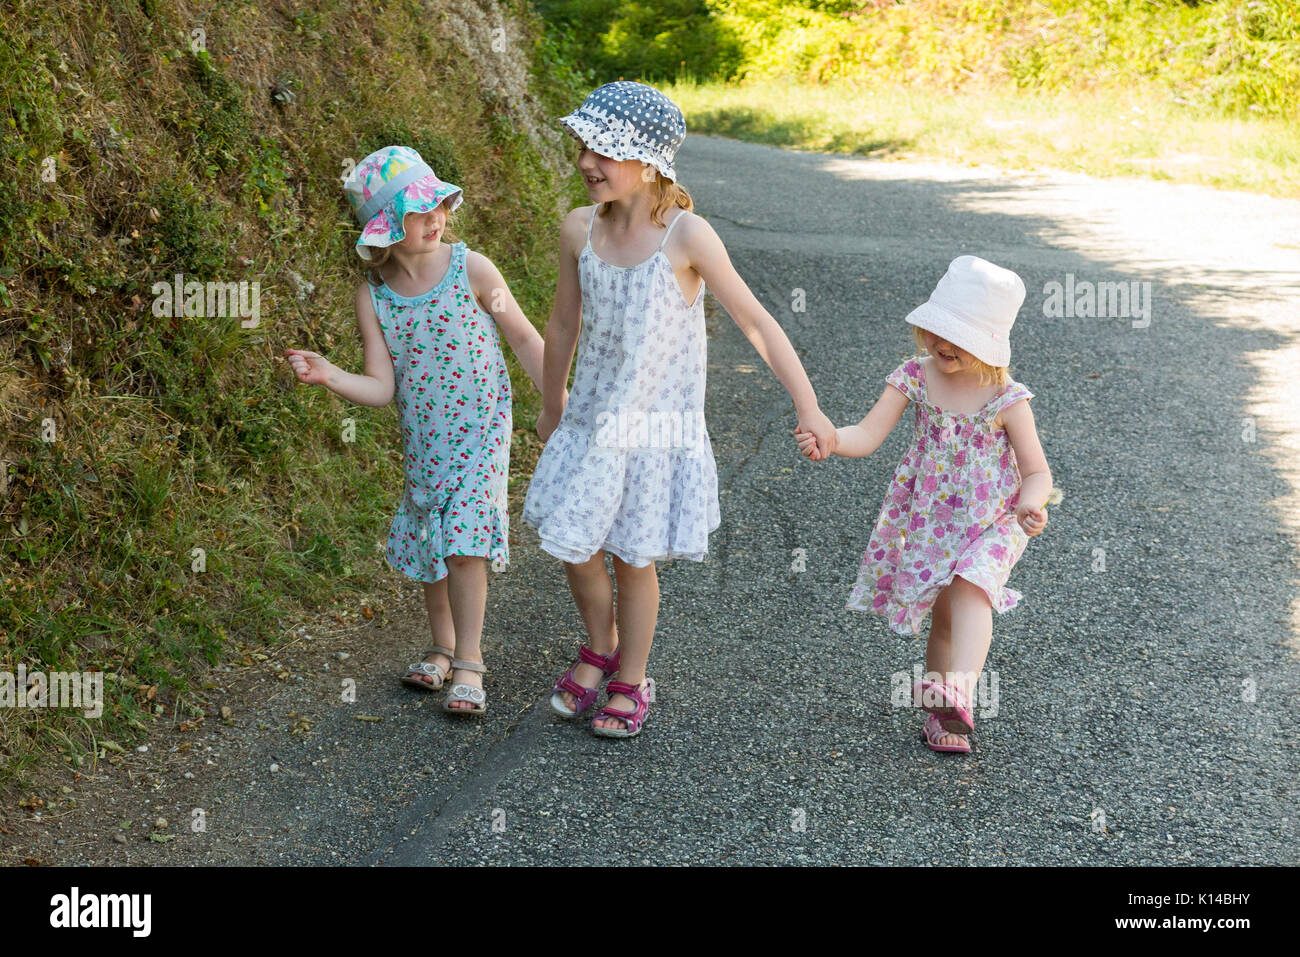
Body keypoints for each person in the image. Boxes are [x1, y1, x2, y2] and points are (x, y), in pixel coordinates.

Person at [524, 82, 837, 738]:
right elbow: (560, 325)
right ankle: (598, 645)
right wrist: (552, 406)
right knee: (575, 544)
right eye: (584, 145)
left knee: (633, 556)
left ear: (649, 160)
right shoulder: (578, 230)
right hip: (590, 421)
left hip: (651, 431)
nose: (587, 160)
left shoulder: (687, 238)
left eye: (605, 150)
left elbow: (756, 323)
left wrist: (808, 405)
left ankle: (631, 678)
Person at [286, 145, 547, 715]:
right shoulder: (373, 296)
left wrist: (560, 400)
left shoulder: (471, 269)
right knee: (433, 537)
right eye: (417, 212)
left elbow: (524, 338)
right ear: (384, 228)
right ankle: (443, 646)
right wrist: (331, 375)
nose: (436, 219)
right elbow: (381, 387)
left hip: (482, 430)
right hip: (425, 437)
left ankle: (471, 663)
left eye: (438, 206)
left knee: (464, 539)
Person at [798, 255, 1051, 753]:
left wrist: (1032, 504)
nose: (942, 344)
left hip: (995, 522)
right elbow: (868, 434)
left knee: (974, 588)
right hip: (932, 522)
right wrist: (831, 438)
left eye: (960, 337)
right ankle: (942, 714)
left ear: (989, 344)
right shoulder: (915, 375)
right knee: (943, 617)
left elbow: (1037, 470)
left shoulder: (1007, 398)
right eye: (937, 330)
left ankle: (961, 688)